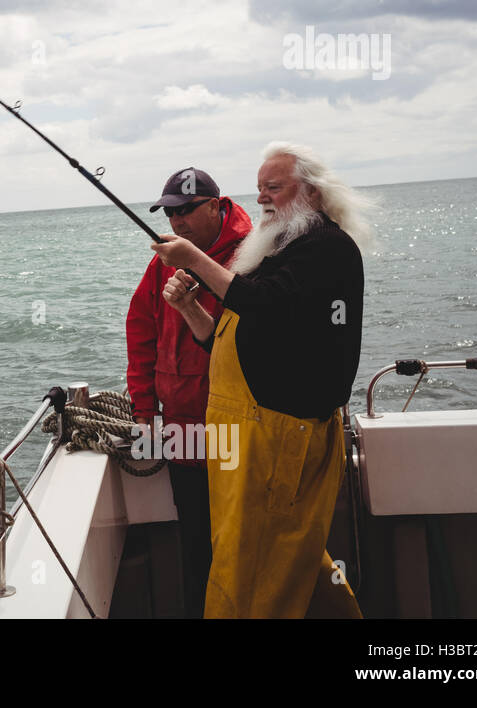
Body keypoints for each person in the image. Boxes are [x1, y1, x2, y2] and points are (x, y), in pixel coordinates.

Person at [150, 142, 371, 618]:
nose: (263, 199)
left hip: (281, 435)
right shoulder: (281, 247)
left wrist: (193, 261)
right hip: (246, 434)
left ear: (311, 192)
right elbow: (235, 343)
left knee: (254, 566)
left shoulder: (329, 249)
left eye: (274, 187)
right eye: (259, 190)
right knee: (280, 555)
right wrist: (190, 308)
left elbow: (261, 303)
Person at [126, 167, 251, 618]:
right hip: (181, 431)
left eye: (187, 211)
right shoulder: (163, 263)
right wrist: (144, 409)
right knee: (196, 542)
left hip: (239, 429)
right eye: (170, 213)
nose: (177, 222)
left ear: (217, 206)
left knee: (243, 541)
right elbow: (140, 331)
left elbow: (257, 340)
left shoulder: (250, 258)